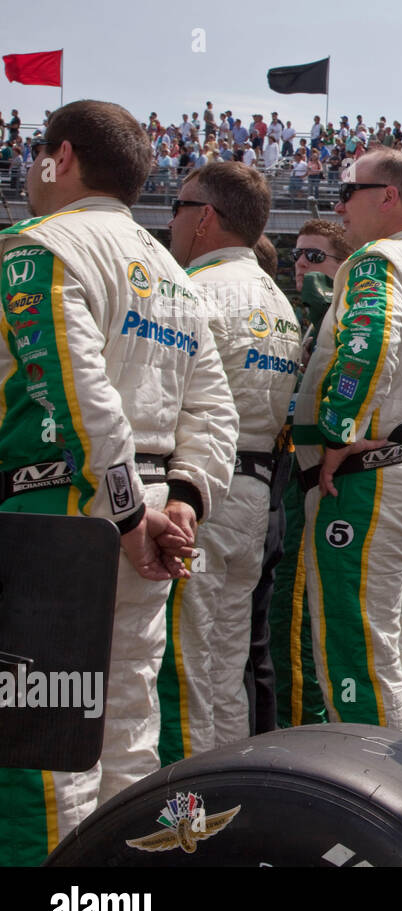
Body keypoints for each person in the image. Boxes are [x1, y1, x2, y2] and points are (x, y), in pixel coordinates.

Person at [0, 100, 237, 865]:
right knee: (127, 731)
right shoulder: (176, 277)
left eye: (36, 155)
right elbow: (214, 413)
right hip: (150, 524)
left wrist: (131, 515)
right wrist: (182, 505)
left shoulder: (39, 246)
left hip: (54, 516)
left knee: (35, 740)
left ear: (59, 157)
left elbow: (77, 395)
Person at [293, 147, 402, 735]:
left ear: (388, 196)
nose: (339, 207)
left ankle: (370, 804)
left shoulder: (379, 258)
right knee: (398, 647)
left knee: (355, 650)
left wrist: (339, 431)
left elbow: (368, 344)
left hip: (372, 477)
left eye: (348, 192)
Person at [157, 162, 300, 762]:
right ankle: (222, 806)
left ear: (205, 218)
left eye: (178, 207)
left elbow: (165, 401)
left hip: (197, 492)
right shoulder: (280, 302)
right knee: (224, 664)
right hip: (255, 494)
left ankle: (180, 824)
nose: (171, 220)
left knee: (182, 665)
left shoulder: (190, 289)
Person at [265, 220, 353, 729]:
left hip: (319, 486)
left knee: (295, 625)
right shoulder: (308, 324)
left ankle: (300, 746)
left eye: (315, 258)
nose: (301, 266)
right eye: (297, 256)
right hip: (286, 482)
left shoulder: (343, 319)